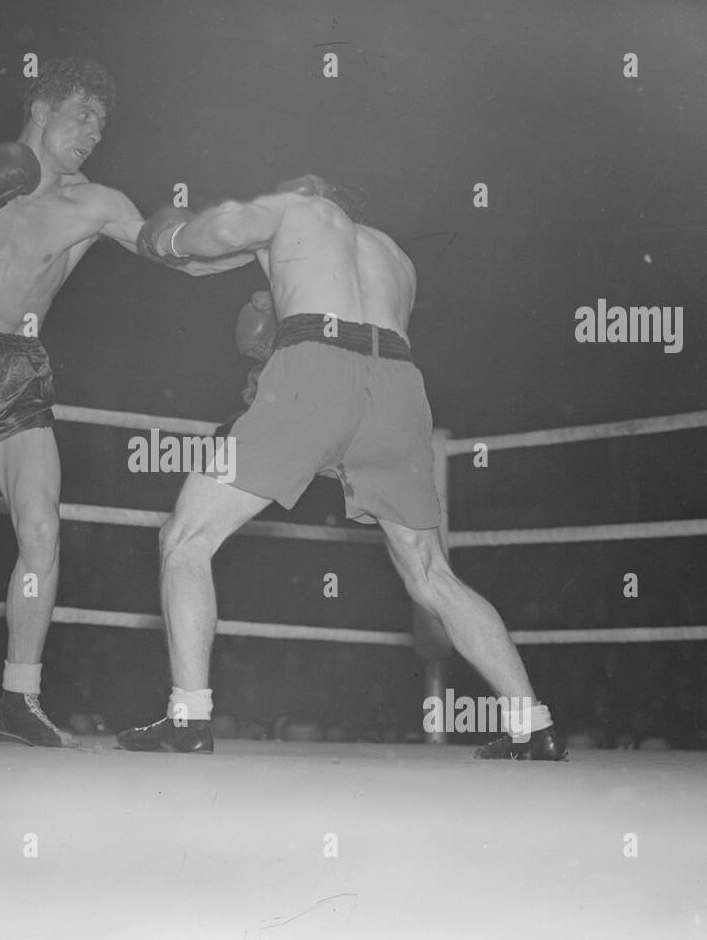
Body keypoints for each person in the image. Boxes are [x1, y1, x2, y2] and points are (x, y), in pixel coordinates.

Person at [0, 57, 249, 744]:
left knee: (41, 530)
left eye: (102, 123)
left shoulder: (96, 204)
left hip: (14, 365)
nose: (94, 133)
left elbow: (175, 256)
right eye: (82, 115)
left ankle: (19, 698)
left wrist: (256, 239)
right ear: (40, 107)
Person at [120, 176, 566, 759]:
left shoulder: (295, 209)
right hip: (400, 386)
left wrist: (170, 237)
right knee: (432, 574)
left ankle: (189, 717)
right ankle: (532, 723)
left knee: (186, 538)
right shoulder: (393, 253)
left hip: (315, 367)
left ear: (310, 195)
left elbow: (224, 232)